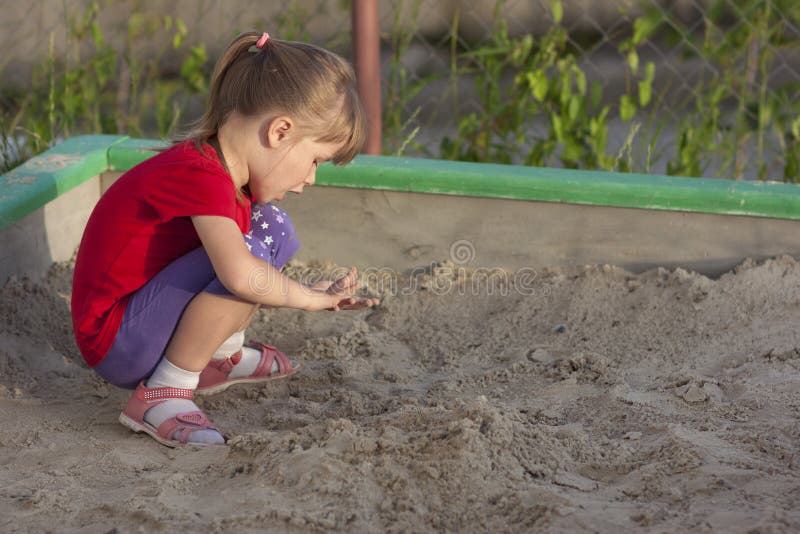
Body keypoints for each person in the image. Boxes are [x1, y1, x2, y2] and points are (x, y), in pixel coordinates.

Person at [71, 31, 378, 447]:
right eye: (315, 160)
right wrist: (306, 297)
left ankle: (217, 356)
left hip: (143, 318)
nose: (310, 178)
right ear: (280, 131)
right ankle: (164, 392)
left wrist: (302, 288)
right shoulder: (201, 173)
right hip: (117, 341)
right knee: (247, 260)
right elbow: (240, 275)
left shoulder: (225, 173)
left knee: (273, 228)